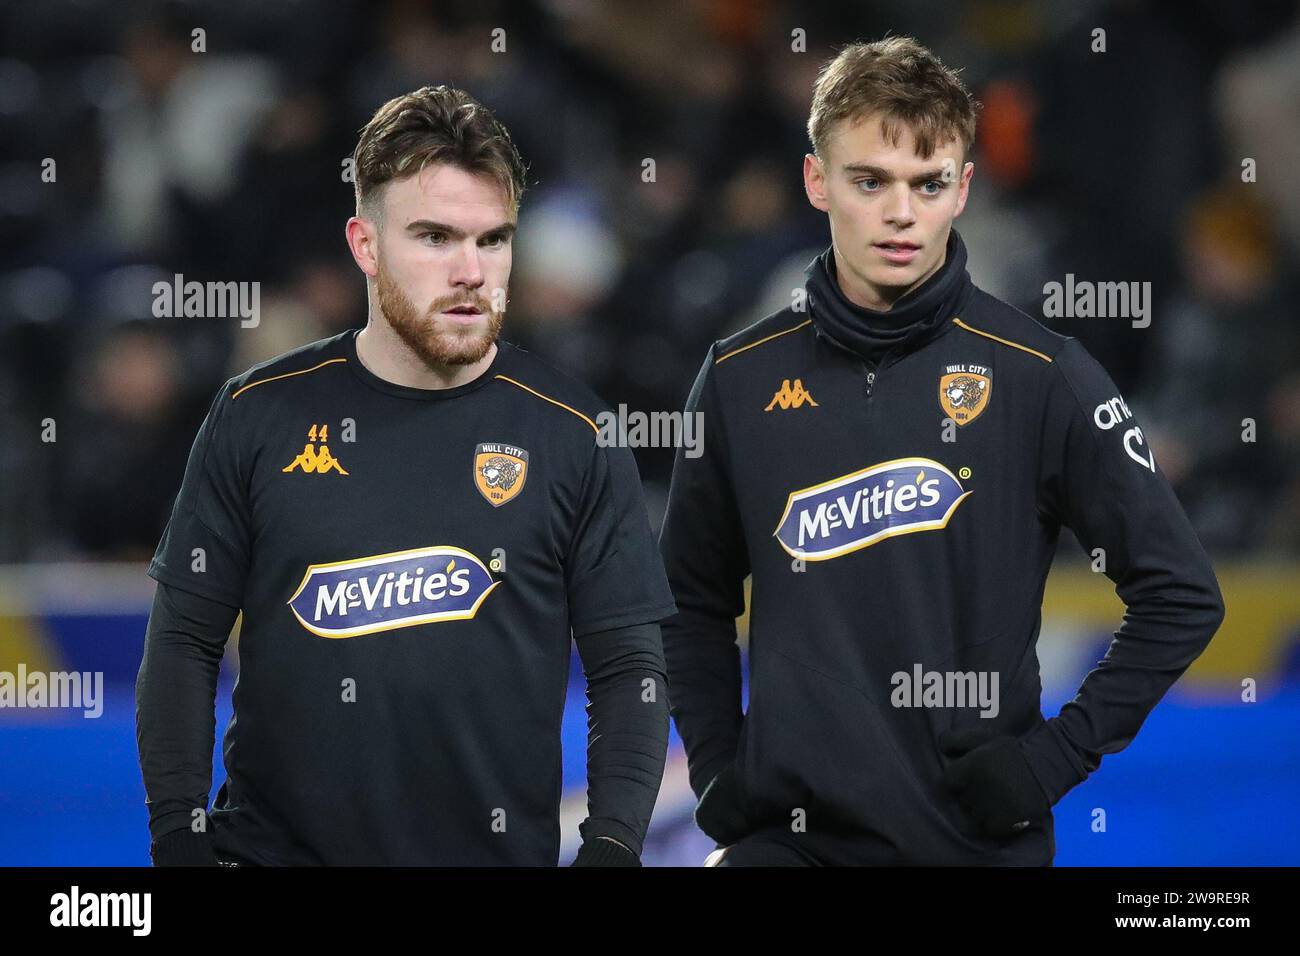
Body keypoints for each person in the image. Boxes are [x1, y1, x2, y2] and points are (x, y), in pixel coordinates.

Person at [659, 37, 1225, 866]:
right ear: (818, 181)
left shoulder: (1043, 377)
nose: (900, 213)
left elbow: (1181, 596)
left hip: (977, 847)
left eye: (927, 184)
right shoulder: (740, 378)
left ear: (962, 188)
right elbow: (684, 601)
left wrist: (1052, 762)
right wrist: (714, 770)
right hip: (793, 846)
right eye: (870, 181)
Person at [136, 85, 676, 866]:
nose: (469, 271)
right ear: (365, 243)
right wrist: (178, 845)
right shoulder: (258, 414)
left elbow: (629, 669)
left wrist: (613, 848)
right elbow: (184, 643)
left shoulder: (573, 432)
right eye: (435, 237)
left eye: (493, 241)